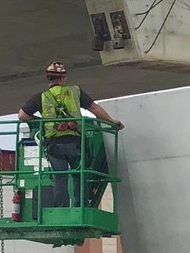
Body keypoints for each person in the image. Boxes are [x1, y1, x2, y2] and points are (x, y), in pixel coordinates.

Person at [18, 62, 119, 208]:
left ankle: (61, 208)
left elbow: (22, 116)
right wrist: (111, 121)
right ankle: (81, 206)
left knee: (60, 177)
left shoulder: (41, 97)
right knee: (79, 175)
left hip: (54, 144)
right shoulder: (75, 91)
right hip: (75, 142)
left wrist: (43, 122)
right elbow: (94, 108)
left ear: (49, 79)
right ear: (63, 78)